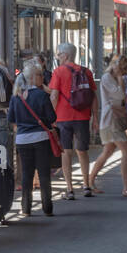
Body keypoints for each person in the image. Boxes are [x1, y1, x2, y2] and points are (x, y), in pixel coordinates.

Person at [48, 42, 98, 200]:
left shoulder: (58, 71)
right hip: (83, 117)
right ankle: (86, 185)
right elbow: (93, 97)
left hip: (63, 118)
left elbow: (54, 95)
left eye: (59, 54)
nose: (57, 57)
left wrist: (51, 116)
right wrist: (95, 117)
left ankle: (69, 189)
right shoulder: (86, 72)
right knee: (82, 151)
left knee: (66, 152)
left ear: (65, 55)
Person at [9, 60, 57, 217]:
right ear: (33, 77)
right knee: (43, 173)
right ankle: (47, 207)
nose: (42, 78)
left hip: (22, 139)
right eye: (40, 75)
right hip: (40, 138)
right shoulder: (42, 95)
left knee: (26, 174)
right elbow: (52, 117)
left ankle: (26, 208)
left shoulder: (16, 98)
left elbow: (11, 119)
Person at [86, 55, 127, 196]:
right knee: (126, 149)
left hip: (112, 120)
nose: (123, 71)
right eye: (122, 68)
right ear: (115, 66)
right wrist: (120, 80)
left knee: (107, 152)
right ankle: (126, 187)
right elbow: (120, 96)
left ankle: (90, 181)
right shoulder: (107, 78)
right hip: (110, 121)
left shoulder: (113, 78)